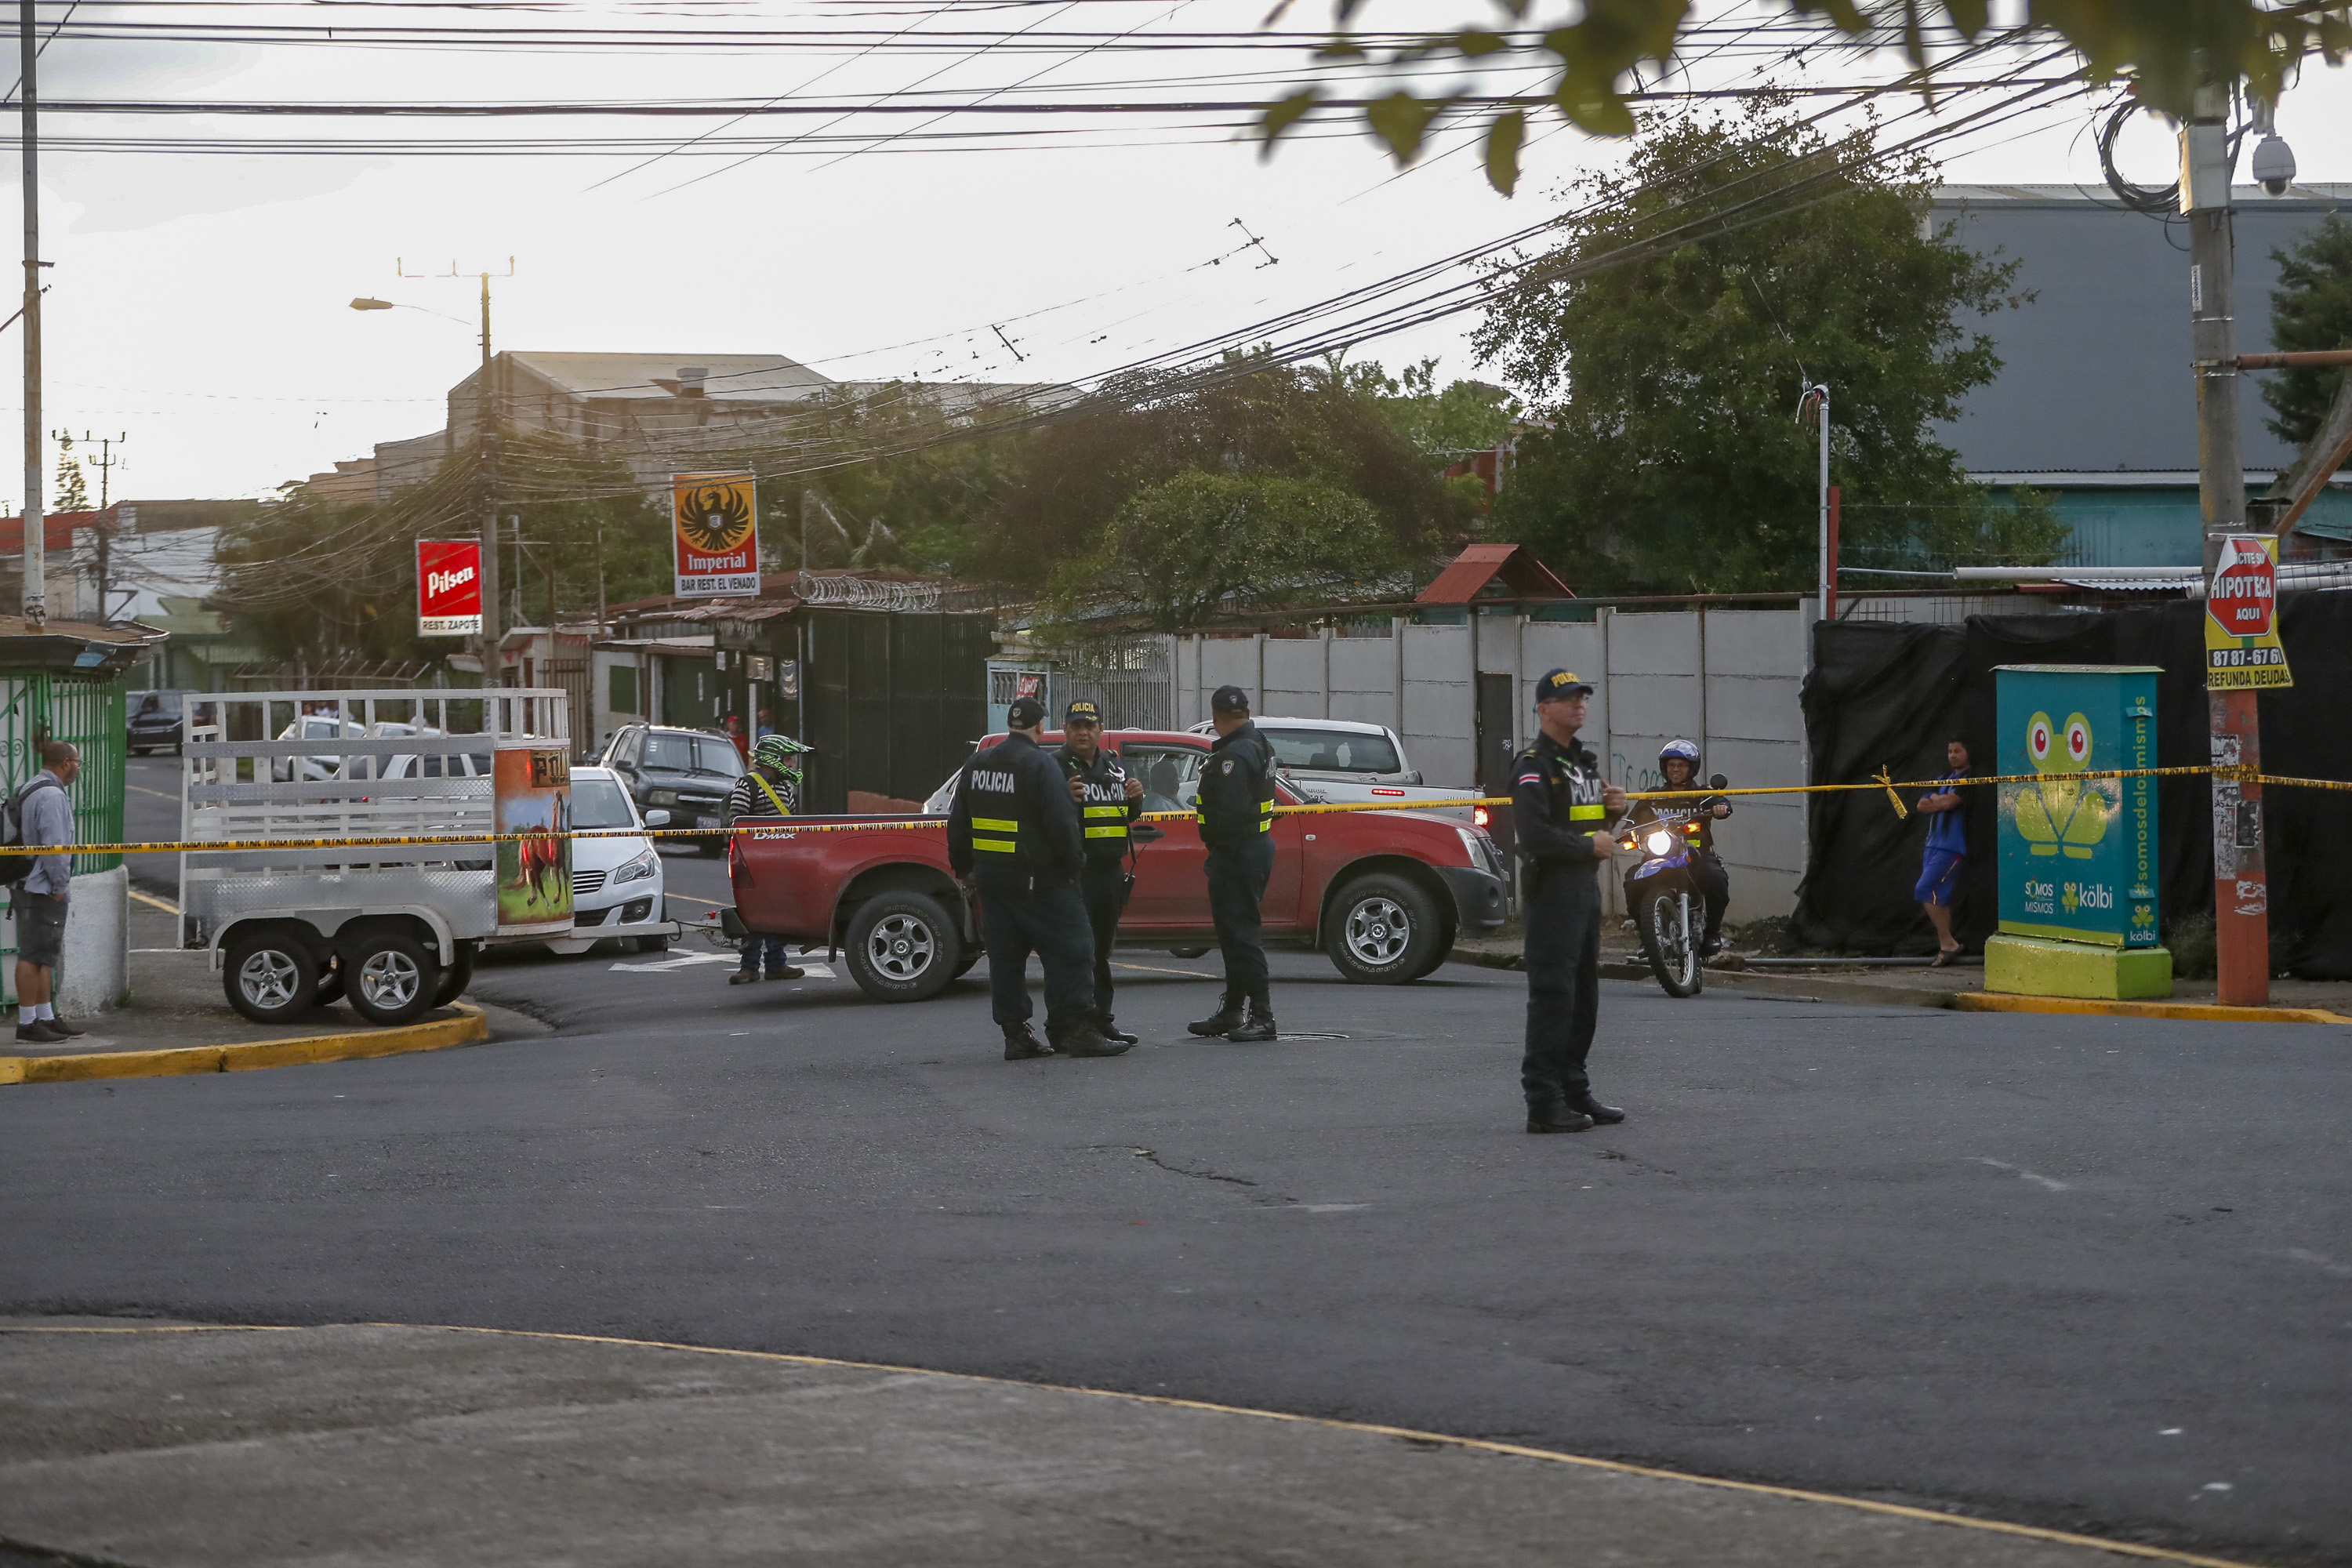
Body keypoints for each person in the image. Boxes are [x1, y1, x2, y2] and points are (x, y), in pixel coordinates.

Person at [948, 696, 1127, 1061]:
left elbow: (958, 821)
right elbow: (1062, 825)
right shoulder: (1040, 765)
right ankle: (1076, 1030)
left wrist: (963, 869)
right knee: (1076, 949)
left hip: (993, 882)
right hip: (1040, 881)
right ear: (1041, 727)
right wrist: (1073, 866)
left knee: (1006, 958)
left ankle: (1016, 1036)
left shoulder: (977, 763)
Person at [1514, 671, 1628, 1134]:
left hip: (1583, 890)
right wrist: (1589, 847)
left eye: (1582, 697)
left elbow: (1589, 827)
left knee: (1584, 998)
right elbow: (1536, 833)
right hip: (1553, 892)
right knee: (1553, 998)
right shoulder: (1532, 764)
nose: (1579, 704)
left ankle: (1574, 1090)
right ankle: (1544, 1102)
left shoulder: (1582, 764)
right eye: (1567, 698)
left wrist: (1613, 812)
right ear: (1544, 708)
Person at [1187, 684, 1279, 1043]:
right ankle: (1233, 1010)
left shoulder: (1233, 756)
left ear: (1214, 717)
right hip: (1253, 848)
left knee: (1241, 934)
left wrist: (1218, 850)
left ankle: (1262, 1015)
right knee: (1233, 934)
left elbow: (1231, 813)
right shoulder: (1259, 742)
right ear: (1246, 711)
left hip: (1237, 853)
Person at [1055, 699, 1147, 1044]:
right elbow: (1042, 816)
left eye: (1090, 725)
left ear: (1100, 730)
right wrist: (1061, 797)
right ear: (1065, 729)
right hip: (1075, 874)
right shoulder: (1057, 767)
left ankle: (1102, 1020)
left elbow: (1126, 816)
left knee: (1101, 952)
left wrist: (1136, 799)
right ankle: (1071, 1026)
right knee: (1077, 952)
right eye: (1076, 725)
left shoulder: (1114, 766)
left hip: (1110, 872)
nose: (1083, 731)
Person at [1624, 739, 1733, 956]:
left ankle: (1712, 934)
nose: (1675, 770)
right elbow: (1631, 822)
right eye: (1671, 765)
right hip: (1659, 855)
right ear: (1664, 768)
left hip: (1696, 855)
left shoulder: (1702, 794)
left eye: (1681, 765)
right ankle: (1648, 937)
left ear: (1691, 768)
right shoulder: (1654, 796)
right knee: (1632, 880)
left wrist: (1722, 808)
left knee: (1717, 879)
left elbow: (1723, 805)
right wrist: (1628, 833)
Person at [12, 740, 83, 1044]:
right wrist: (59, 886)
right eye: (77, 762)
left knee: (44, 954)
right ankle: (28, 1023)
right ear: (66, 763)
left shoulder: (31, 787)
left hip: (28, 881)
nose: (78, 768)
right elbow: (56, 848)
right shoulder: (52, 795)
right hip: (42, 886)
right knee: (32, 955)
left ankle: (45, 1016)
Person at [724, 732, 811, 985]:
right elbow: (735, 823)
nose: (792, 764)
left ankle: (776, 964)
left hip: (781, 862)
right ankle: (748, 967)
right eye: (788, 759)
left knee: (779, 913)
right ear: (773, 760)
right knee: (753, 914)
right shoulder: (747, 785)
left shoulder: (786, 788)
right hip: (753, 863)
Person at [1916, 738, 1973, 966]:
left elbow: (1950, 803)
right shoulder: (1942, 778)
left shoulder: (1971, 779)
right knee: (1940, 897)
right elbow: (1921, 804)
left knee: (1924, 889)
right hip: (1932, 844)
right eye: (1949, 751)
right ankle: (1947, 948)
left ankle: (1948, 943)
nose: (1952, 755)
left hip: (1952, 847)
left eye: (1957, 751)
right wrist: (1937, 800)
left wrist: (1936, 800)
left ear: (1968, 753)